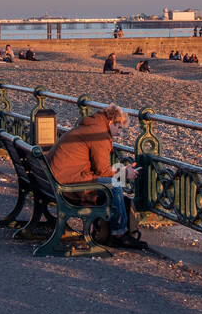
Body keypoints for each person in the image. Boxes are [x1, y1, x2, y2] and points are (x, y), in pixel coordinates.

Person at [46, 104, 145, 249]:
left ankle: (110, 231)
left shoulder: (90, 126)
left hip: (54, 181)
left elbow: (98, 169)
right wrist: (125, 173)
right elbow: (103, 171)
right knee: (114, 185)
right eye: (119, 128)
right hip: (67, 184)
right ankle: (119, 234)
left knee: (110, 184)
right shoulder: (99, 135)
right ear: (111, 122)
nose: (118, 134)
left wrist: (122, 170)